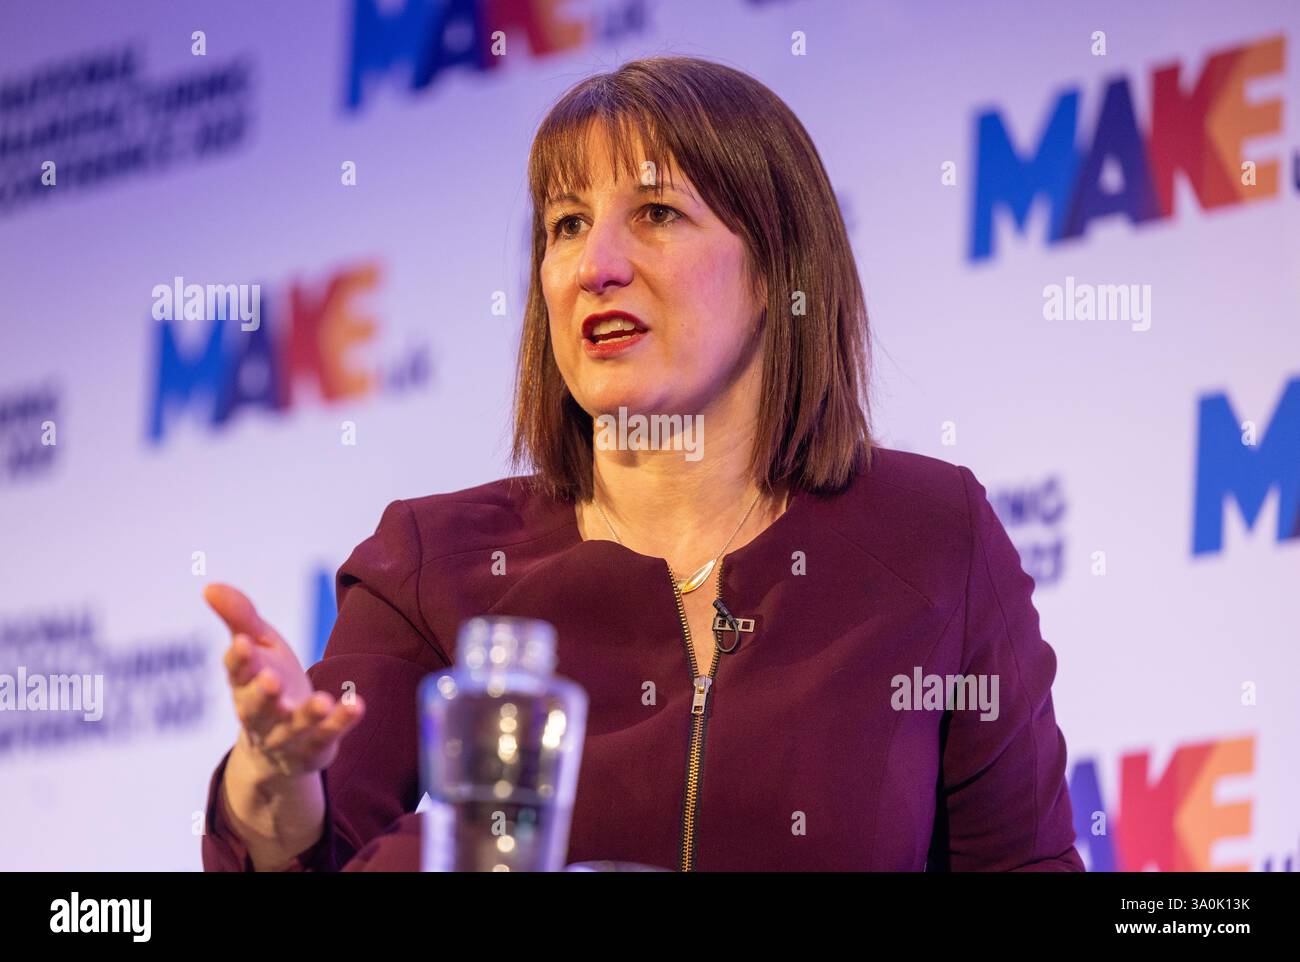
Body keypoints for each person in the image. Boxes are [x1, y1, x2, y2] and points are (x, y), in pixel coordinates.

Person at [200, 55, 1084, 872]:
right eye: (567, 225)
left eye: (656, 214)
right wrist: (272, 777)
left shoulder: (930, 535)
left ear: (781, 268)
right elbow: (298, 854)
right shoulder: (435, 558)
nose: (596, 265)